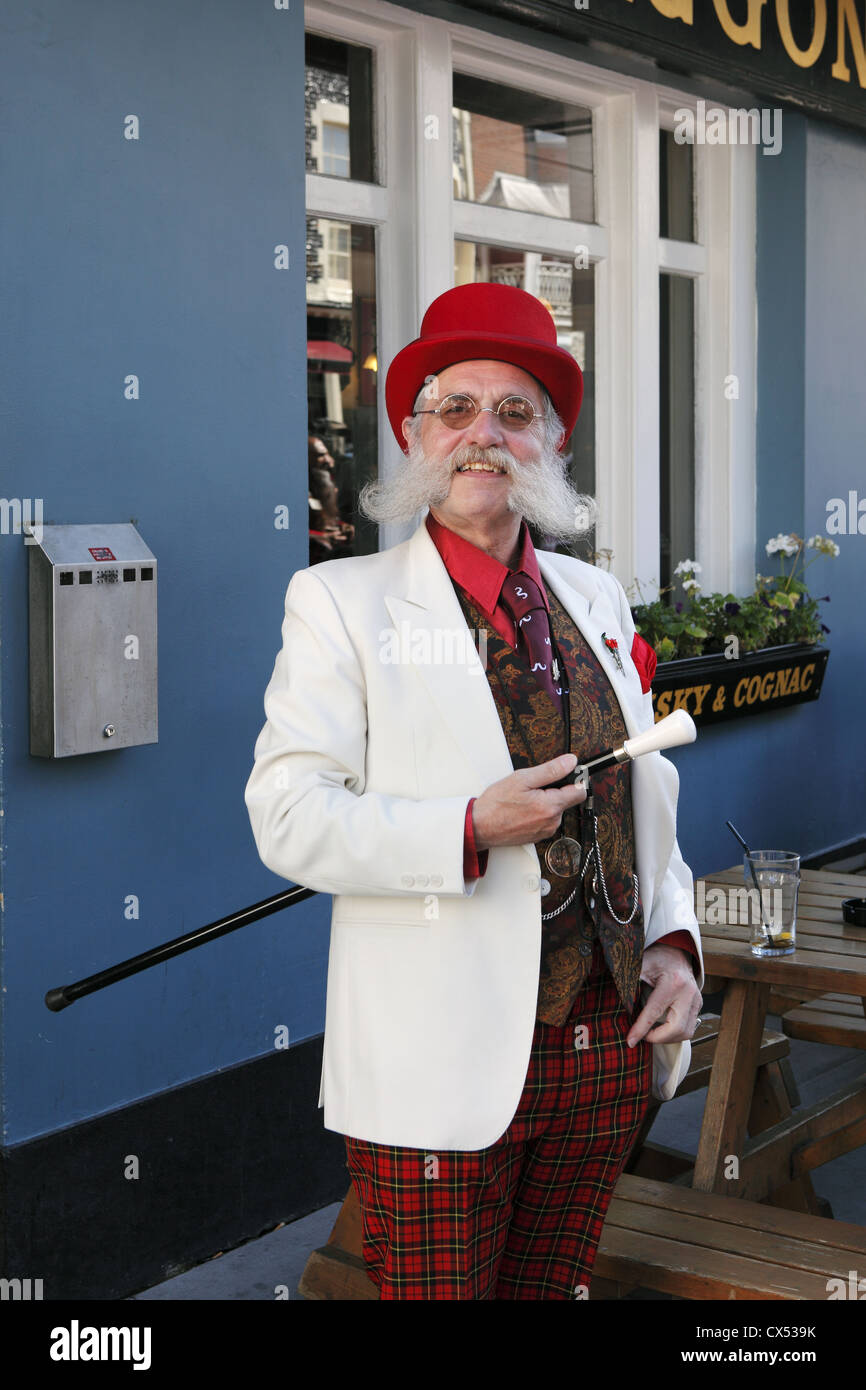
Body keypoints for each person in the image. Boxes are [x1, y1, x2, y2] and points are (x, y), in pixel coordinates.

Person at [245, 282, 704, 1300]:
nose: (480, 436)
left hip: (606, 1049)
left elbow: (640, 796)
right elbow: (287, 815)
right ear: (413, 435)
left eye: (512, 412)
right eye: (454, 408)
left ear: (551, 444)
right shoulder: (339, 603)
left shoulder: (593, 595)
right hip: (437, 1060)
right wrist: (462, 824)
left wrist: (673, 940)